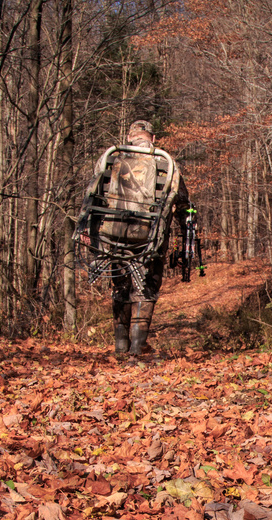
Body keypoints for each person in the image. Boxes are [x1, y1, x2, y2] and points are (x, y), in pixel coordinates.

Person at [103, 120, 189, 355]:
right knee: (145, 287)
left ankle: (120, 347)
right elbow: (181, 200)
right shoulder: (164, 162)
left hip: (113, 236)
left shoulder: (112, 159)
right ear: (152, 139)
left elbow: (95, 196)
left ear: (130, 137)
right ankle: (138, 347)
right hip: (149, 237)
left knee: (121, 285)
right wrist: (185, 227)